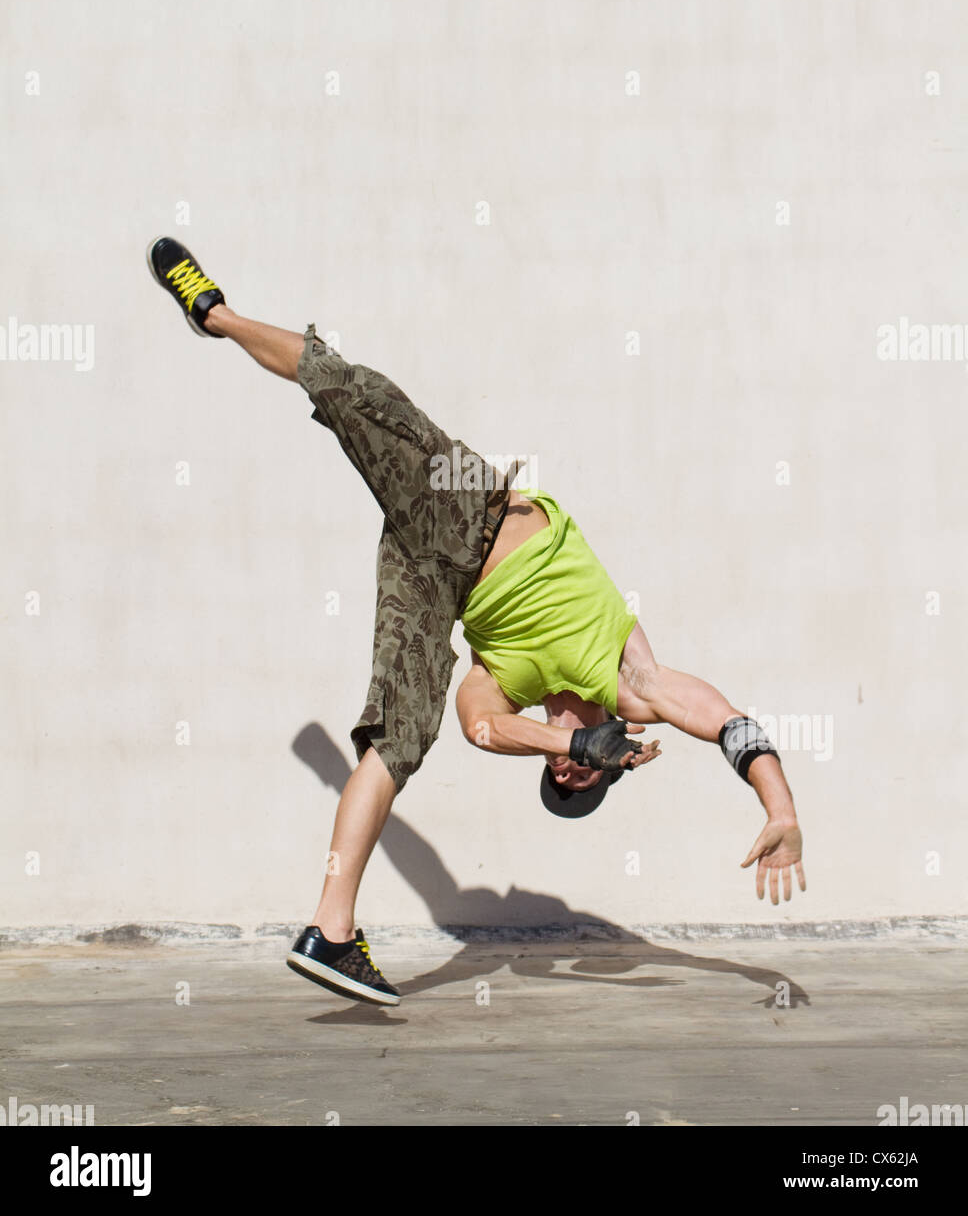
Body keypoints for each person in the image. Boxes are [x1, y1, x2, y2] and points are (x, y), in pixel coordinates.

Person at [146, 236, 807, 1008]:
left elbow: (479, 728)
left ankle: (329, 933)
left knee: (398, 742)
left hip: (428, 575)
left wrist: (565, 741)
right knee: (344, 385)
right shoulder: (631, 682)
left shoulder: (509, 686)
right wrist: (781, 808)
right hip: (469, 503)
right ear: (608, 759)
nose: (567, 770)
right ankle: (215, 312)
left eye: (559, 774)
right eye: (580, 776)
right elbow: (727, 722)